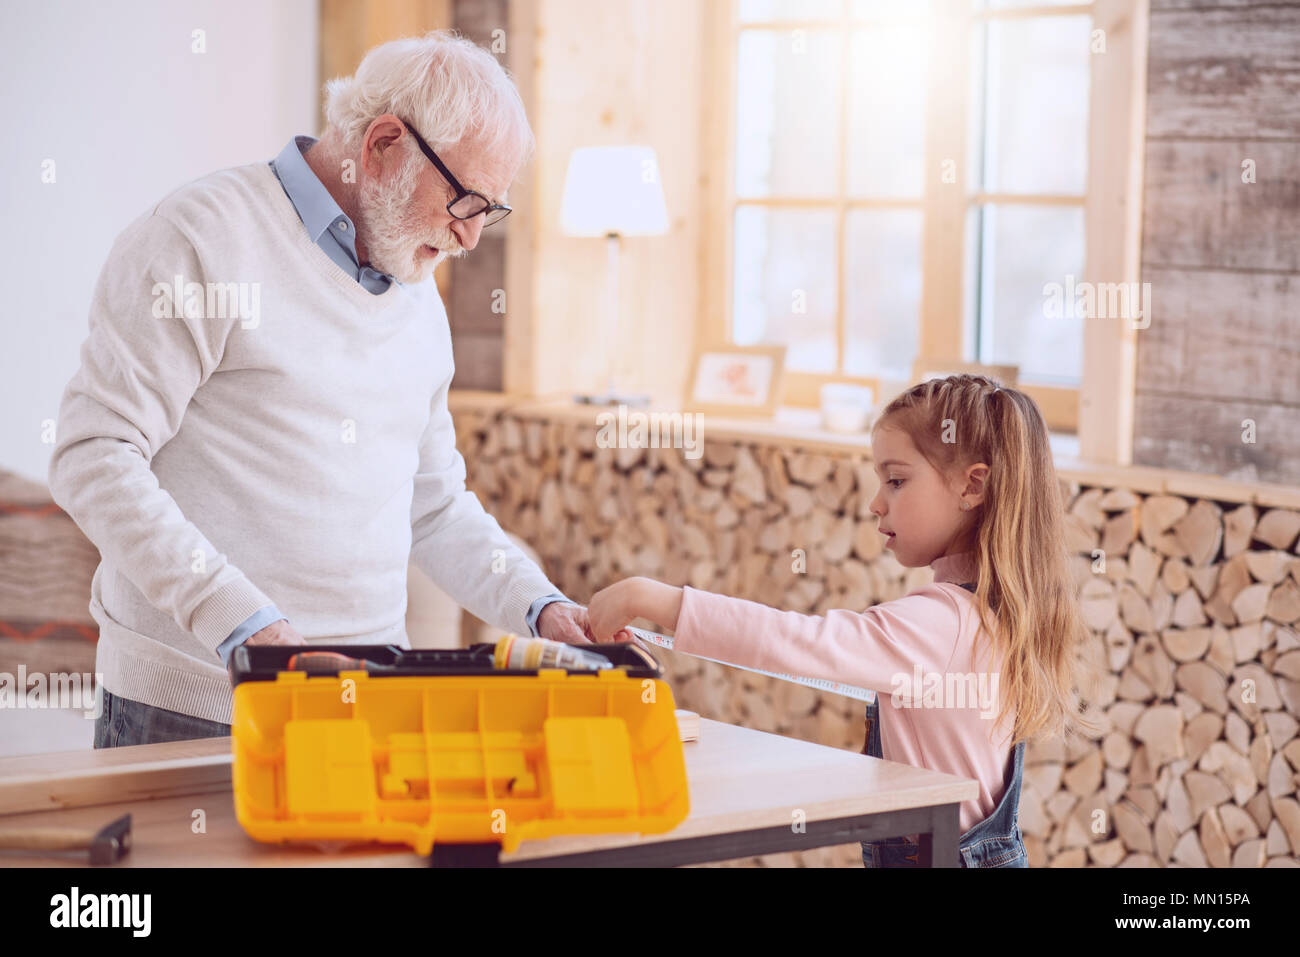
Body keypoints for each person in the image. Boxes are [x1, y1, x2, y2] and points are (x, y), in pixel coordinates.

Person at [48, 31, 620, 749]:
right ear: (383, 144)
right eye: (467, 200)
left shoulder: (415, 289)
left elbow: (436, 508)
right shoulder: (200, 238)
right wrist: (243, 625)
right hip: (193, 706)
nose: (470, 239)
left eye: (489, 211)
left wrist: (539, 606)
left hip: (365, 710)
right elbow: (93, 455)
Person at [588, 374, 1101, 867]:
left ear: (973, 487)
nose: (875, 504)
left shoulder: (941, 623)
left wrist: (651, 596)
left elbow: (794, 641)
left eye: (896, 481)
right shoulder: (992, 608)